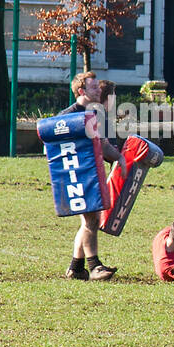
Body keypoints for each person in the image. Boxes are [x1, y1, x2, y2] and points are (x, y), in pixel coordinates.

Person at [58, 71, 125, 280]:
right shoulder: (67, 115)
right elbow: (52, 144)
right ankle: (94, 265)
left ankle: (76, 268)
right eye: (94, 87)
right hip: (77, 175)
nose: (99, 90)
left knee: (91, 220)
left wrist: (120, 158)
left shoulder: (97, 114)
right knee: (90, 220)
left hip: (93, 174)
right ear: (82, 90)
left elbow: (103, 145)